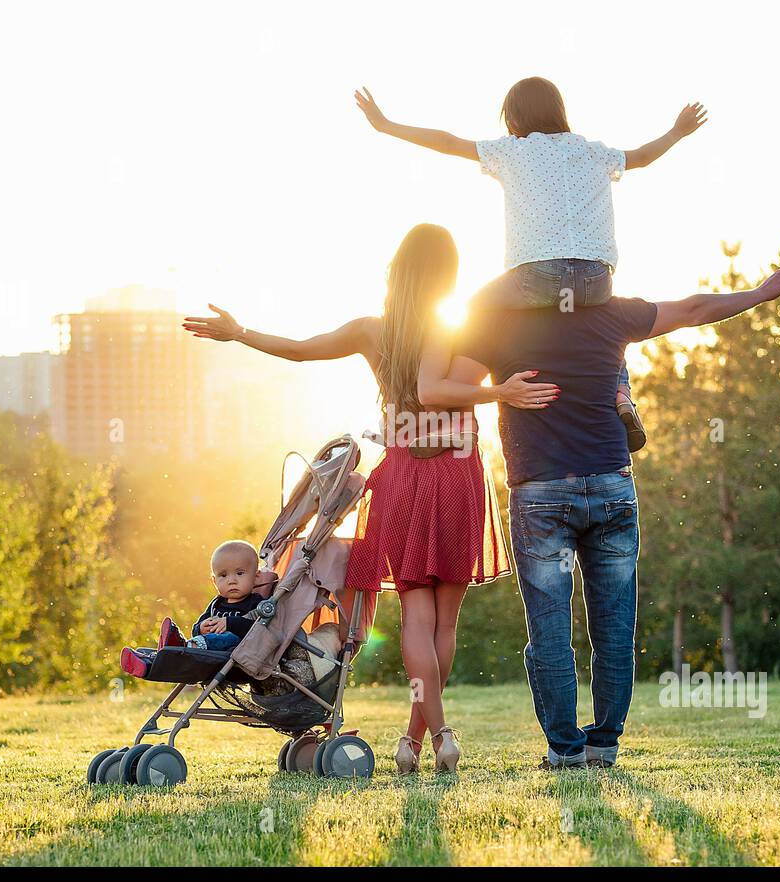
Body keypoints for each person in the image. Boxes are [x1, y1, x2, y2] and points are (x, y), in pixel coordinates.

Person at [183, 223, 545, 774]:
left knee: (414, 619)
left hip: (401, 478)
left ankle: (421, 741)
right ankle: (423, 737)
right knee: (444, 624)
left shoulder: (371, 331)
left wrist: (241, 332)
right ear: (448, 276)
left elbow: (300, 351)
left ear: (395, 273)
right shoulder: (458, 329)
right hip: (455, 474)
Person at [436, 259, 780, 769]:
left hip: (541, 492)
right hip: (612, 485)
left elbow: (450, 389)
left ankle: (566, 752)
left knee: (549, 633)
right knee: (614, 631)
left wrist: (497, 392)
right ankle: (603, 746)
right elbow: (694, 308)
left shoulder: (494, 317)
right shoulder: (613, 312)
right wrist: (759, 294)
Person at [354, 77, 707, 449]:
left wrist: (386, 125)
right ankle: (621, 392)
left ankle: (430, 401)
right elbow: (641, 157)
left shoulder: (513, 151)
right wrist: (677, 131)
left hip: (536, 276)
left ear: (515, 118)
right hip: (595, 279)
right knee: (608, 322)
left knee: (466, 311)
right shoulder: (592, 152)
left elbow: (447, 142)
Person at [119, 540, 274, 678]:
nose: (231, 581)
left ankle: (178, 647)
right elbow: (196, 630)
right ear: (214, 581)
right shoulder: (216, 604)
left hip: (232, 655)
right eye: (223, 575)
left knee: (227, 637)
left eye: (240, 573)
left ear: (256, 576)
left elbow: (258, 630)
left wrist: (229, 623)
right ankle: (146, 665)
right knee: (177, 652)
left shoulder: (256, 603)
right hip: (206, 655)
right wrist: (201, 628)